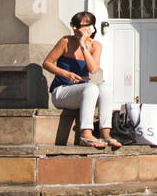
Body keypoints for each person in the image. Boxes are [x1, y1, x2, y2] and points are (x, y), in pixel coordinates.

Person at [42, 11, 120, 149]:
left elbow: (93, 69)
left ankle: (105, 132)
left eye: (81, 26)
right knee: (90, 88)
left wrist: (83, 45)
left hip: (83, 93)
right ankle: (85, 134)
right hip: (61, 92)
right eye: (75, 25)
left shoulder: (95, 46)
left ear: (92, 28)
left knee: (105, 87)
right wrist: (65, 74)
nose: (75, 29)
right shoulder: (65, 41)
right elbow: (47, 63)